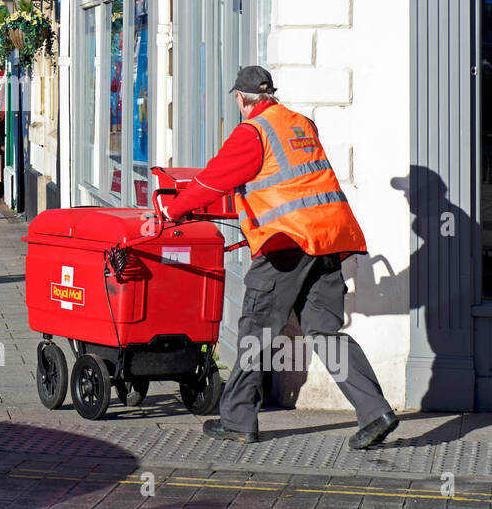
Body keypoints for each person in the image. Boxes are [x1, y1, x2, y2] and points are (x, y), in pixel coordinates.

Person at [160, 66, 397, 451]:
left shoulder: (252, 132)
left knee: (256, 329)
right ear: (271, 94)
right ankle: (374, 411)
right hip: (329, 239)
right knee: (323, 332)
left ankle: (237, 419)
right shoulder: (301, 123)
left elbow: (213, 179)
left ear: (241, 99)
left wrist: (175, 210)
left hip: (287, 243)